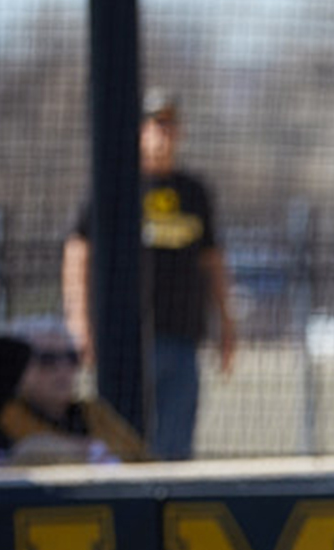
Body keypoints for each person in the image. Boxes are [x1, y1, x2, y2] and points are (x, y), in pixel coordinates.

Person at [63, 88, 237, 460]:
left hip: (181, 336)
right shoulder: (114, 186)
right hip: (124, 340)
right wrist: (79, 322)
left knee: (175, 449)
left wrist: (227, 321)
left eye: (171, 124)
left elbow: (213, 261)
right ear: (138, 130)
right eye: (156, 123)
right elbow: (78, 252)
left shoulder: (194, 191)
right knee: (122, 447)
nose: (164, 132)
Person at [0, 317, 148, 465]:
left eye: (72, 358)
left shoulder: (94, 413)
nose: (63, 370)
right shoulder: (1, 418)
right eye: (47, 360)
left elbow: (145, 461)